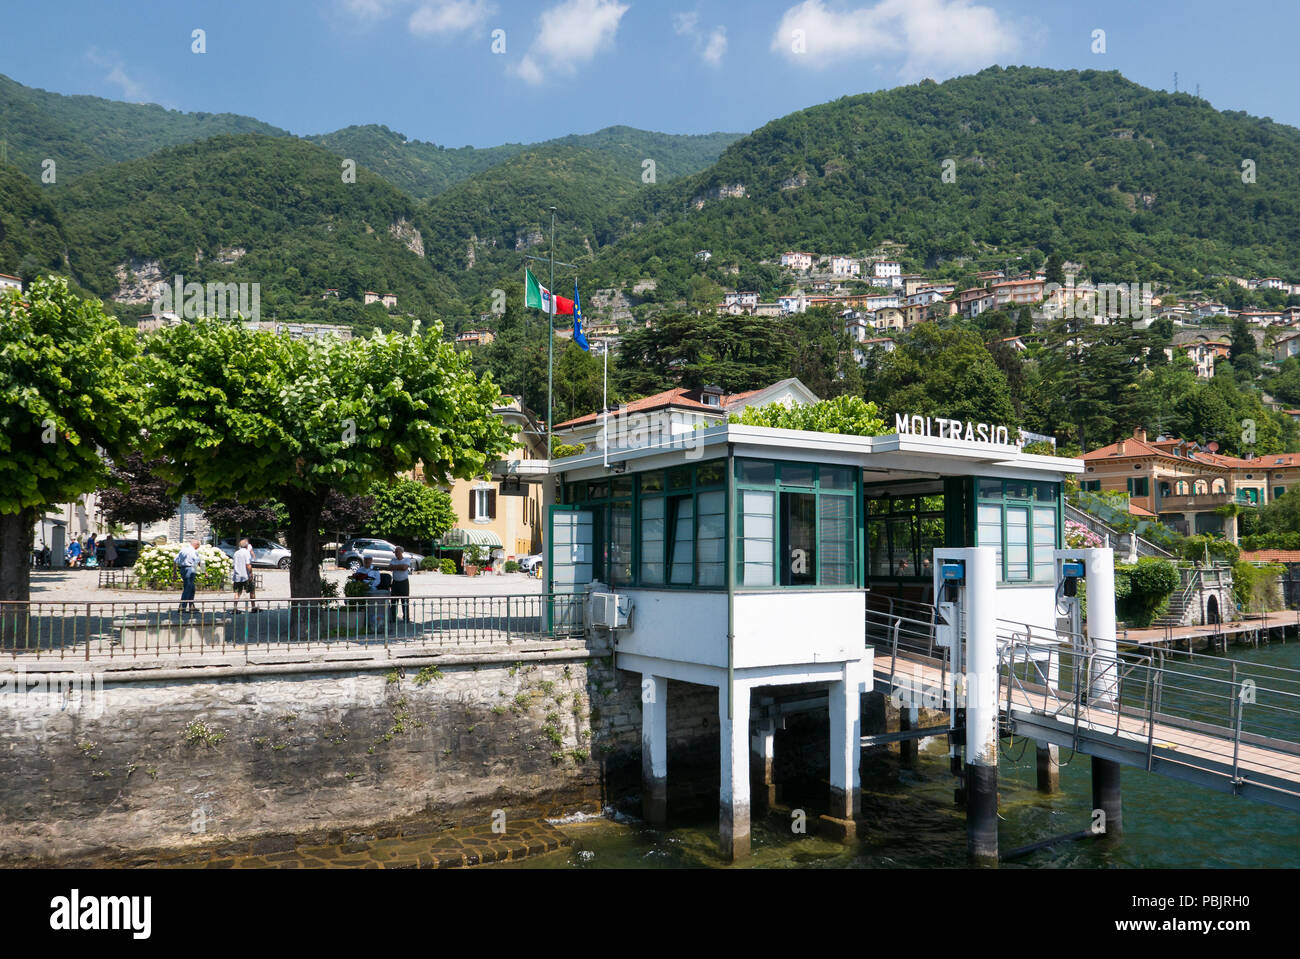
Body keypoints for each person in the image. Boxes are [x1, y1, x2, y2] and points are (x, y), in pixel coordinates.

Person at [175, 539, 205, 614]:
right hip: (190, 569)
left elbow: (175, 560)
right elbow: (199, 562)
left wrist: (174, 573)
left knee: (191, 588)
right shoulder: (193, 551)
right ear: (196, 545)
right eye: (198, 546)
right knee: (188, 588)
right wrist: (204, 572)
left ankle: (192, 606)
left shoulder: (183, 550)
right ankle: (182, 607)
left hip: (183, 569)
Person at [232, 538, 259, 613]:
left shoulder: (236, 553)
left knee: (237, 592)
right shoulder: (247, 553)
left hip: (237, 575)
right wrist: (250, 574)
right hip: (245, 575)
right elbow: (248, 565)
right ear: (247, 546)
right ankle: (253, 607)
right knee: (252, 591)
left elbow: (234, 564)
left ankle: (235, 608)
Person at [389, 547, 412, 623]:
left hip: (404, 582)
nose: (396, 554)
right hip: (395, 582)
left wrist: (396, 567)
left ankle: (406, 618)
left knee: (405, 601)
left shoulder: (406, 560)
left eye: (398, 552)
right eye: (395, 552)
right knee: (393, 601)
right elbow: (390, 568)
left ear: (402, 552)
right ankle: (393, 618)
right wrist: (400, 567)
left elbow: (404, 568)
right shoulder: (393, 560)